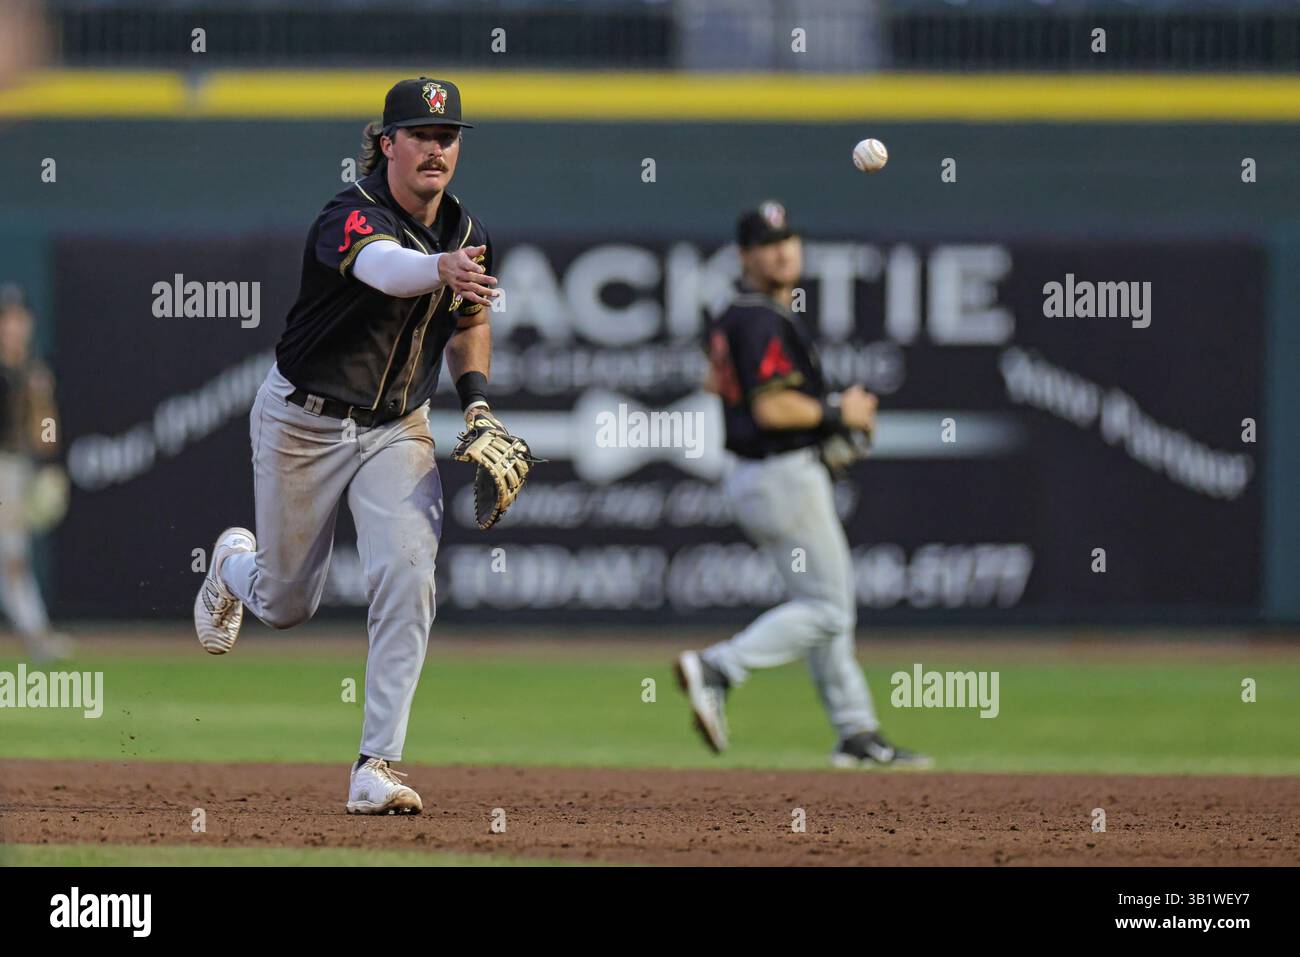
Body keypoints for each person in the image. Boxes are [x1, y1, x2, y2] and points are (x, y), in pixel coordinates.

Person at [194, 77, 516, 814]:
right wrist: (437, 269)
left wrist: (479, 405)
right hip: (302, 422)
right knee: (284, 602)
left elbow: (468, 324)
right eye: (421, 135)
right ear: (385, 142)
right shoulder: (349, 214)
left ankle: (377, 765)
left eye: (448, 136)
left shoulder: (468, 233)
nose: (436, 148)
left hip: (397, 426)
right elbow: (384, 271)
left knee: (409, 573)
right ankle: (234, 565)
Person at [675, 201, 932, 769]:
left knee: (820, 604)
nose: (782, 251)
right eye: (767, 244)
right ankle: (720, 667)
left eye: (788, 239)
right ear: (745, 257)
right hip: (781, 474)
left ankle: (857, 733)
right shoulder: (763, 318)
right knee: (829, 609)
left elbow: (713, 381)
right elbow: (773, 410)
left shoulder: (734, 313)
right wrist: (841, 410)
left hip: (757, 475)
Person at [0, 286, 72, 664]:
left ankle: (35, 633)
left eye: (17, 318)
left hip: (11, 469)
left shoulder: (32, 371)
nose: (12, 326)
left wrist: (42, 403)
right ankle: (36, 632)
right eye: (6, 319)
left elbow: (45, 435)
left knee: (12, 557)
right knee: (11, 558)